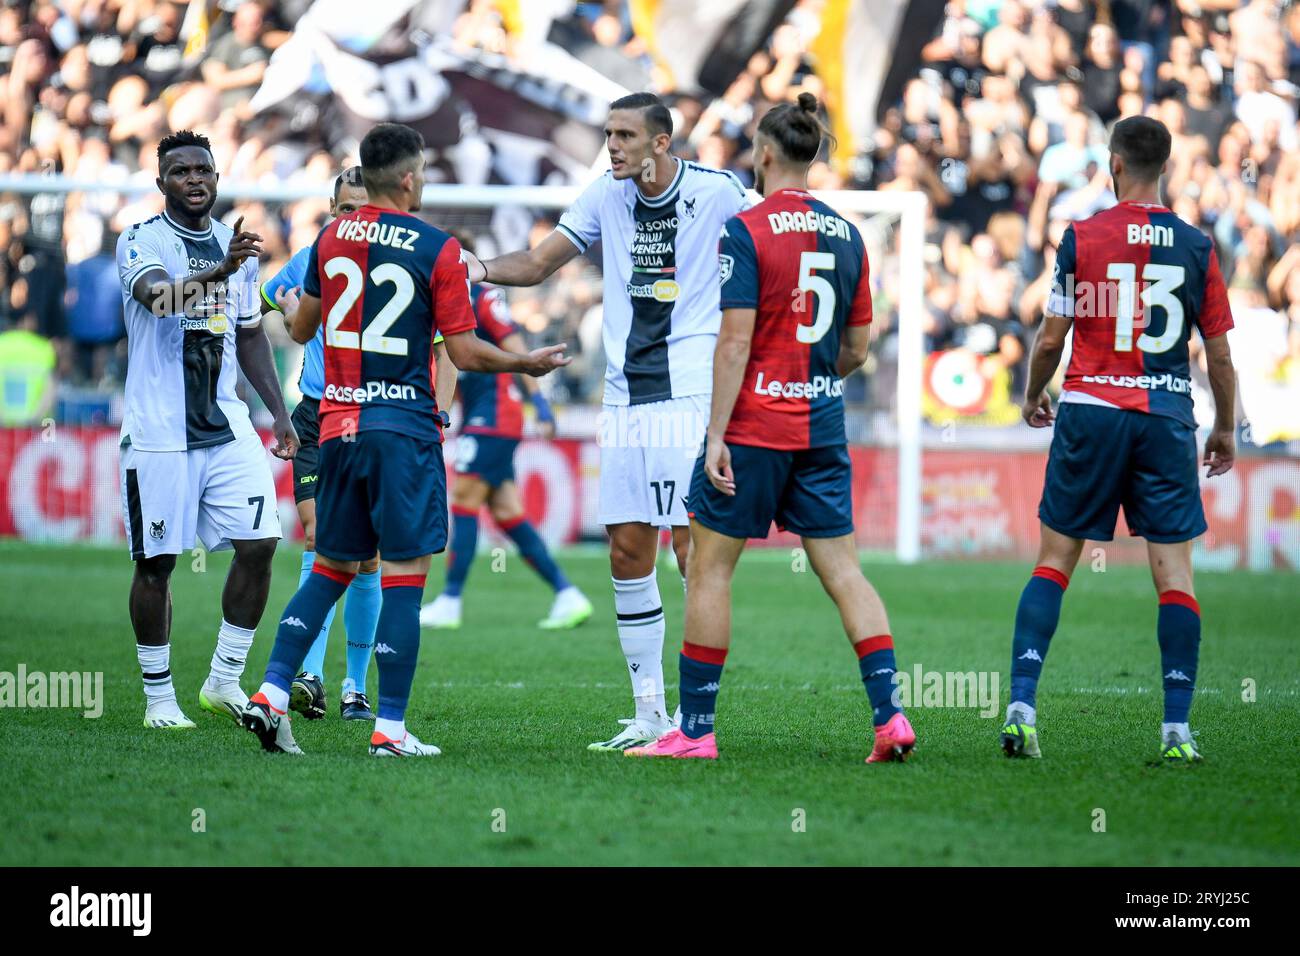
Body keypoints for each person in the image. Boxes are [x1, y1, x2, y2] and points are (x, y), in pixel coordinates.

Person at [240, 123, 569, 757]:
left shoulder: (331, 236)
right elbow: (466, 353)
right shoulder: (438, 248)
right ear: (412, 178)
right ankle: (389, 728)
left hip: (336, 424)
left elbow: (303, 326)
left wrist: (283, 306)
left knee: (330, 568)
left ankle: (272, 693)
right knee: (403, 576)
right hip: (404, 429)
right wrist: (524, 366)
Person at [625, 95, 917, 763]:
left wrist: (718, 434)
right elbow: (857, 348)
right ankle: (890, 718)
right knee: (845, 572)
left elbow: (734, 342)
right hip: (821, 424)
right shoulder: (849, 234)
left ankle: (695, 731)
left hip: (755, 426)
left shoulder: (747, 229)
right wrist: (811, 376)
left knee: (709, 571)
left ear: (762, 154)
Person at [460, 92, 750, 751]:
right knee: (626, 547)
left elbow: (772, 246)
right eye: (608, 133)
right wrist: (472, 269)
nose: (613, 145)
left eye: (625, 135)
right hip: (623, 398)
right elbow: (536, 264)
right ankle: (649, 712)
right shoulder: (602, 195)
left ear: (661, 143)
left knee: (689, 549)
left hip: (690, 392)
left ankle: (695, 722)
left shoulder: (720, 193)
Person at [1003, 115, 1237, 763]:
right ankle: (1177, 732)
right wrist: (1223, 425)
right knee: (1174, 574)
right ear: (1165, 167)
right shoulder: (1195, 245)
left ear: (1113, 164)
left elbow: (1051, 336)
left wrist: (1032, 393)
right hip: (1164, 416)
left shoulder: (1082, 236)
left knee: (1054, 560)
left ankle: (1022, 710)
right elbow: (1218, 355)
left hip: (1091, 411)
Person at [258, 166, 458, 722]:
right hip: (319, 415)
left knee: (367, 559)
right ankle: (307, 677)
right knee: (322, 539)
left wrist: (437, 415)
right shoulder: (315, 256)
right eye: (342, 210)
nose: (351, 219)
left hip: (379, 417)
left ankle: (353, 684)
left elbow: (445, 354)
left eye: (359, 208)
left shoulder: (403, 259)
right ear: (331, 209)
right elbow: (269, 301)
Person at [116, 129, 297, 730]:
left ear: (217, 178)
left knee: (261, 543)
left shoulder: (233, 246)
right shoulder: (141, 241)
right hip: (159, 430)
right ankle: (158, 696)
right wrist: (223, 268)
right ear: (161, 182)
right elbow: (157, 300)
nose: (195, 180)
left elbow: (249, 334)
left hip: (225, 424)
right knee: (157, 565)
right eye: (182, 171)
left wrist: (280, 411)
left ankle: (223, 679)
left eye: (204, 170)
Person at [419, 232, 593, 632]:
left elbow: (517, 347)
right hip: (486, 413)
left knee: (463, 498)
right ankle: (568, 595)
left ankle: (450, 600)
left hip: (495, 416)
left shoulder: (483, 296)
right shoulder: (446, 294)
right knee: (507, 512)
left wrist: (541, 404)